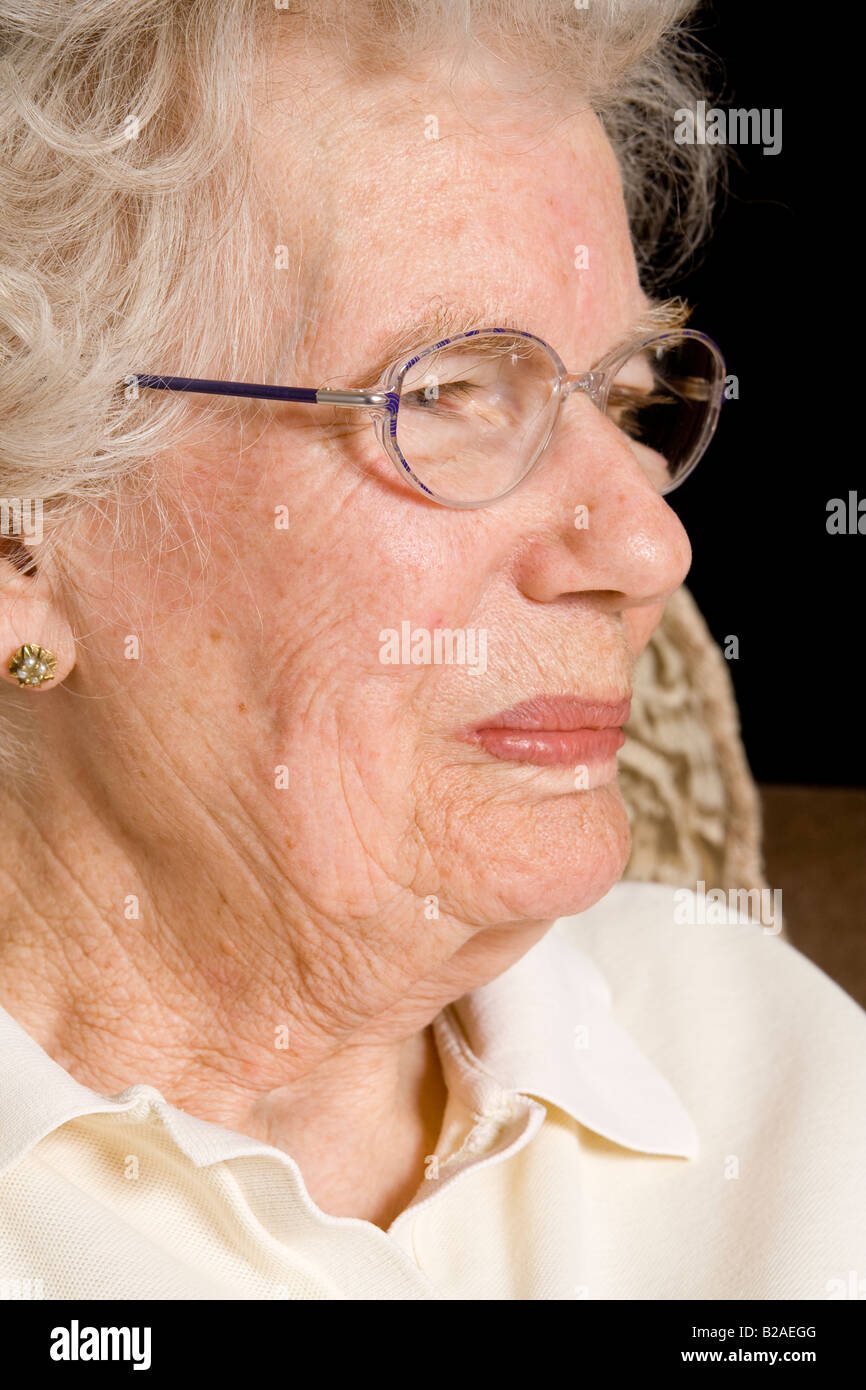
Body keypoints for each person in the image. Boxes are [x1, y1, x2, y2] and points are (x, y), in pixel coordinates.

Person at [0, 0, 862, 1300]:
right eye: (450, 393)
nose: (649, 547)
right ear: (26, 533)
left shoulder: (756, 1053)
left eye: (628, 396)